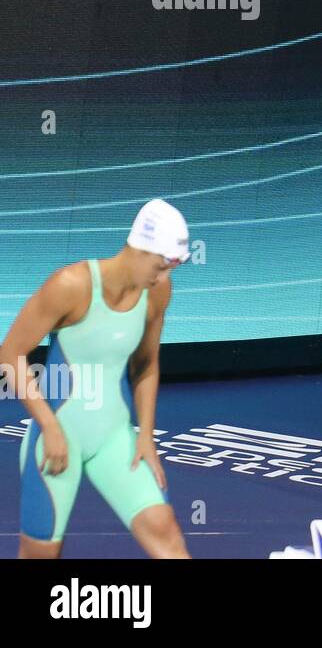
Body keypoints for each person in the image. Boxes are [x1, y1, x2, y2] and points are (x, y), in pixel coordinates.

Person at [1, 198, 192, 558]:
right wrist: (50, 427)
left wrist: (146, 436)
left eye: (172, 268)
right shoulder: (71, 284)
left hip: (114, 437)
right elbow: (10, 353)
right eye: (161, 265)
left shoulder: (157, 292)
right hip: (59, 438)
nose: (163, 277)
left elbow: (146, 365)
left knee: (165, 533)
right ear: (140, 247)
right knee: (39, 555)